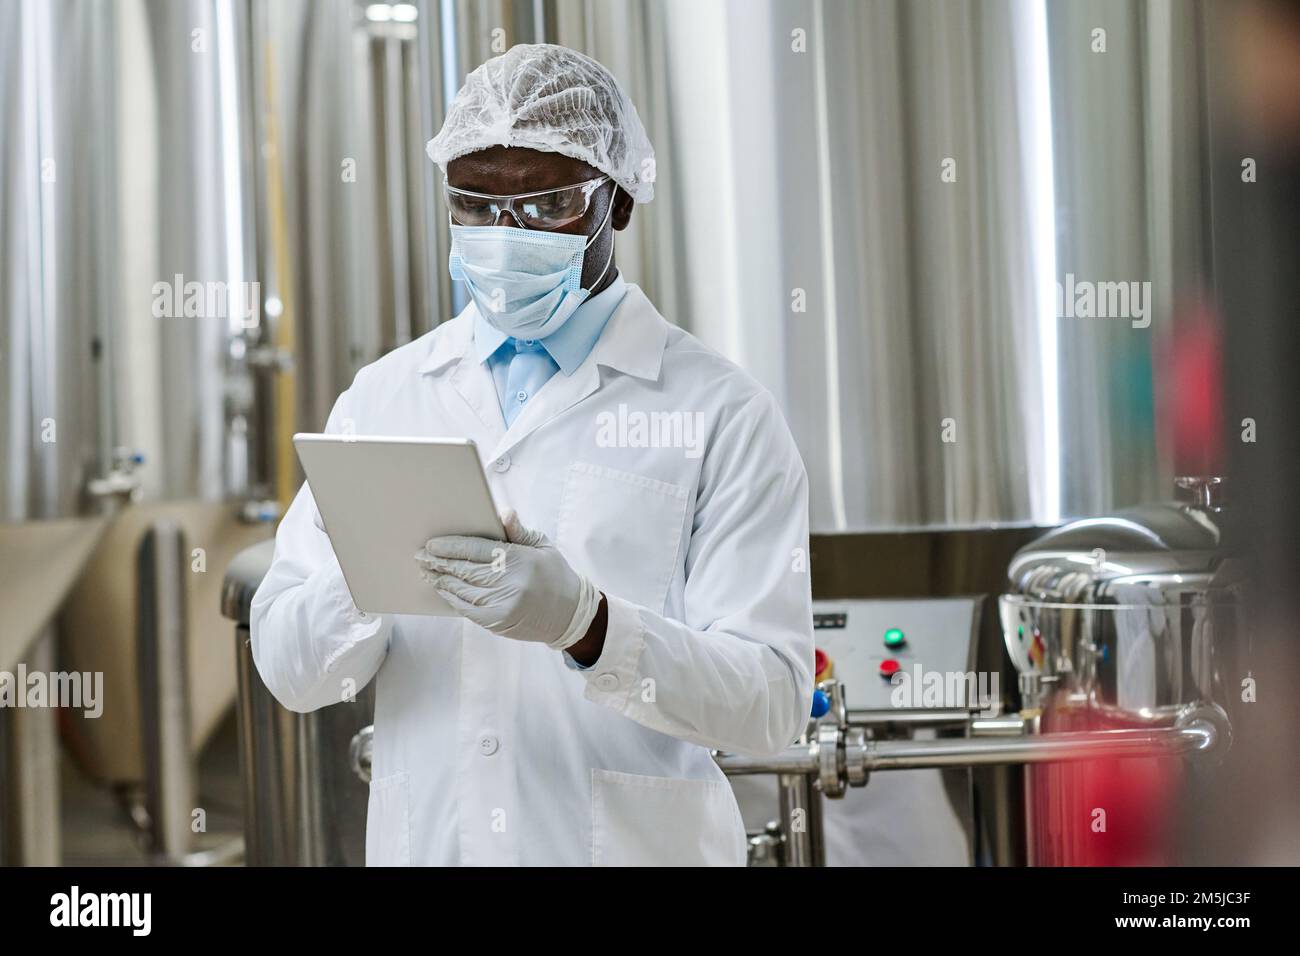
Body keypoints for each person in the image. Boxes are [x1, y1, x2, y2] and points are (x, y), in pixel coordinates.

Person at [251, 43, 813, 866]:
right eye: (475, 205)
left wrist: (590, 627)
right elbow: (292, 672)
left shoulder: (718, 411)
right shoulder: (387, 395)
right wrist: (369, 579)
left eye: (546, 204)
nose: (505, 236)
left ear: (616, 203)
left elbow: (771, 703)